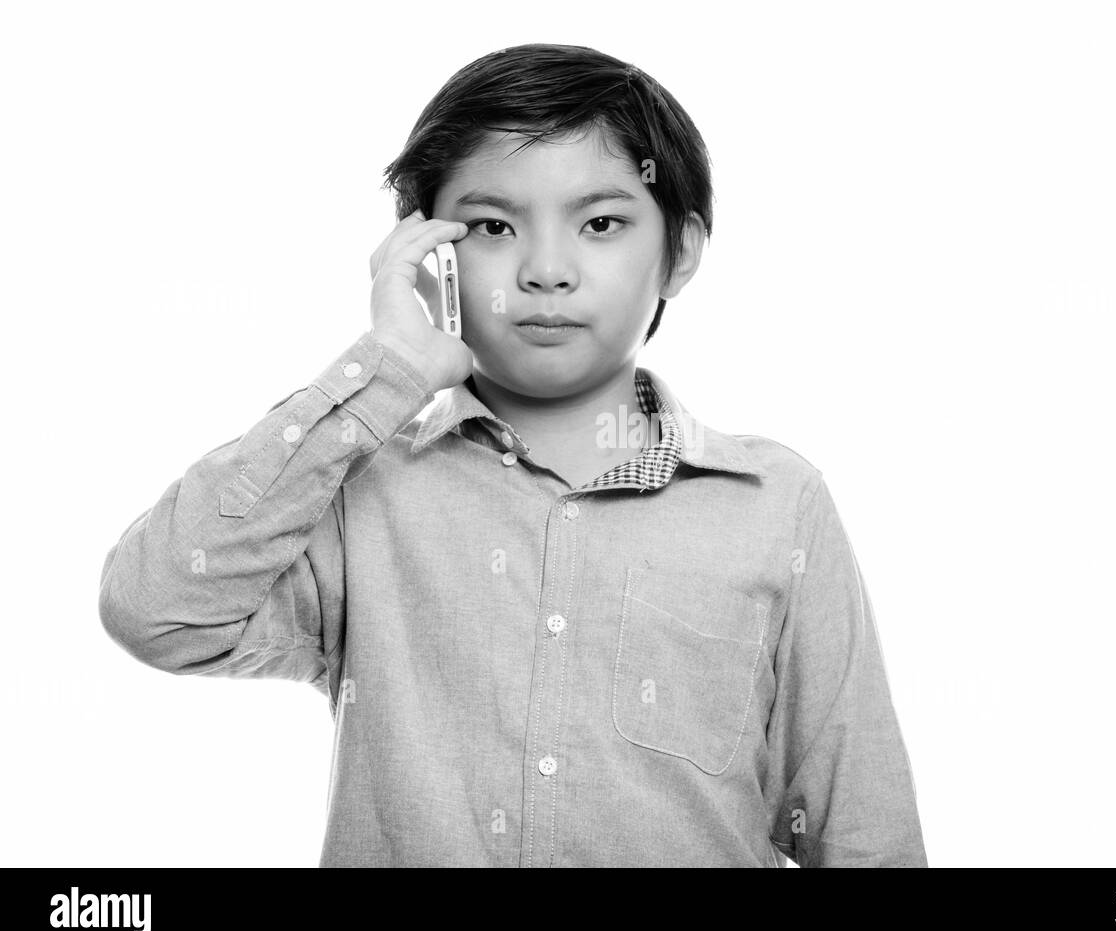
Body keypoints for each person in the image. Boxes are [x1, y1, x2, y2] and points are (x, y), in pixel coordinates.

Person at [97, 42, 927, 867]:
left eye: (601, 223)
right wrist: (389, 368)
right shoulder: (359, 492)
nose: (545, 271)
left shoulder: (775, 505)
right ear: (428, 254)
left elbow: (863, 832)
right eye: (493, 226)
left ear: (680, 251)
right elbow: (157, 607)